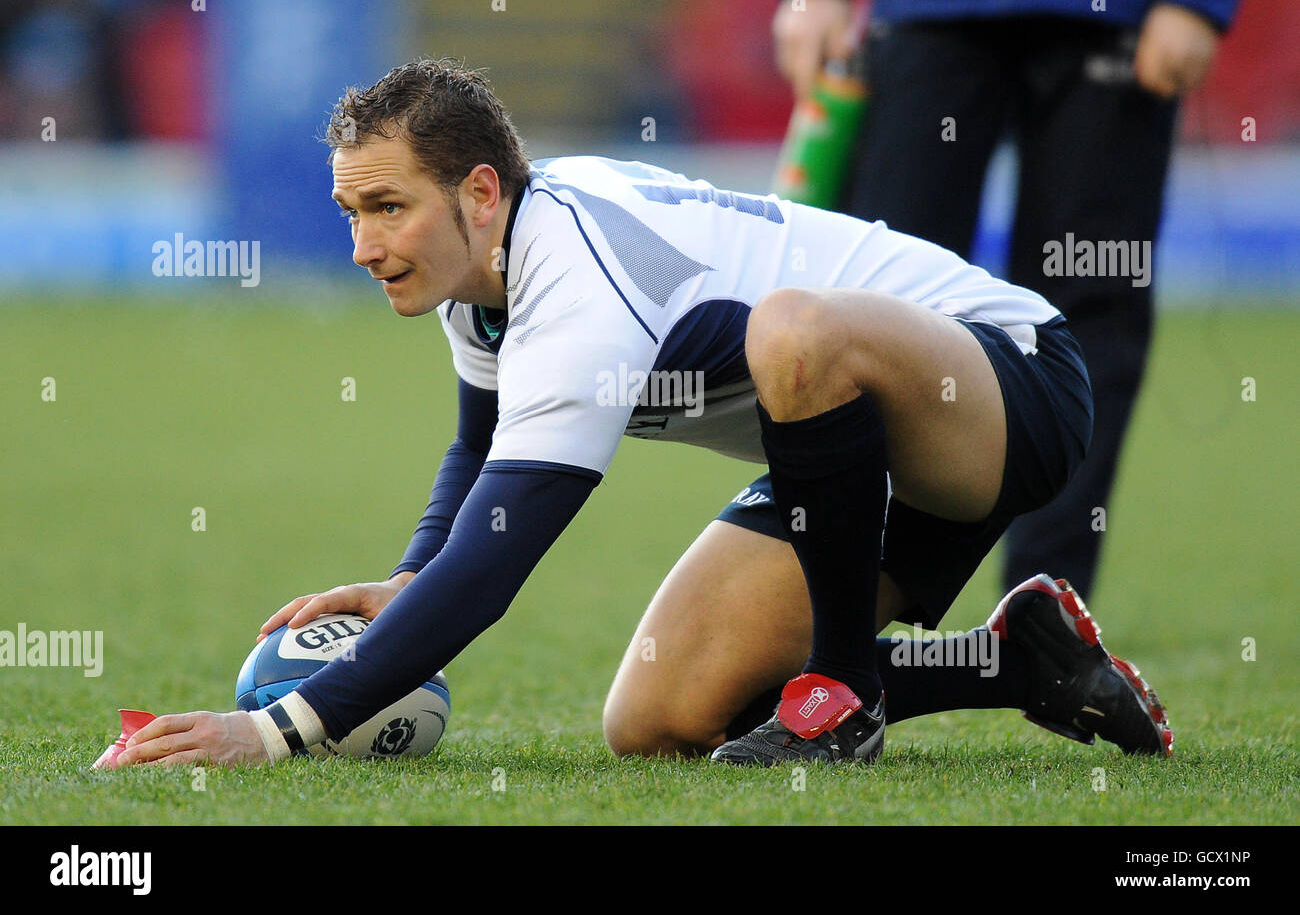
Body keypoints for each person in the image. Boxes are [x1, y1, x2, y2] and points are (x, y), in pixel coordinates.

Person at [117, 58, 1169, 768]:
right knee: (660, 717)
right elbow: (478, 453)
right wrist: (408, 574)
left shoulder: (573, 269)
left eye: (388, 207)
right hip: (848, 454)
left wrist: (279, 731)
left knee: (792, 331)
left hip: (1009, 381)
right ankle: (1009, 659)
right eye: (352, 211)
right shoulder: (486, 280)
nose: (363, 245)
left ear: (481, 191)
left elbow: (498, 560)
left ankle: (842, 694)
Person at [772, 0, 1243, 601]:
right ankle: (833, 595)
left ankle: (1045, 606)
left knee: (1090, 308)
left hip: (1113, 8)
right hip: (927, 1)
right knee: (868, 310)